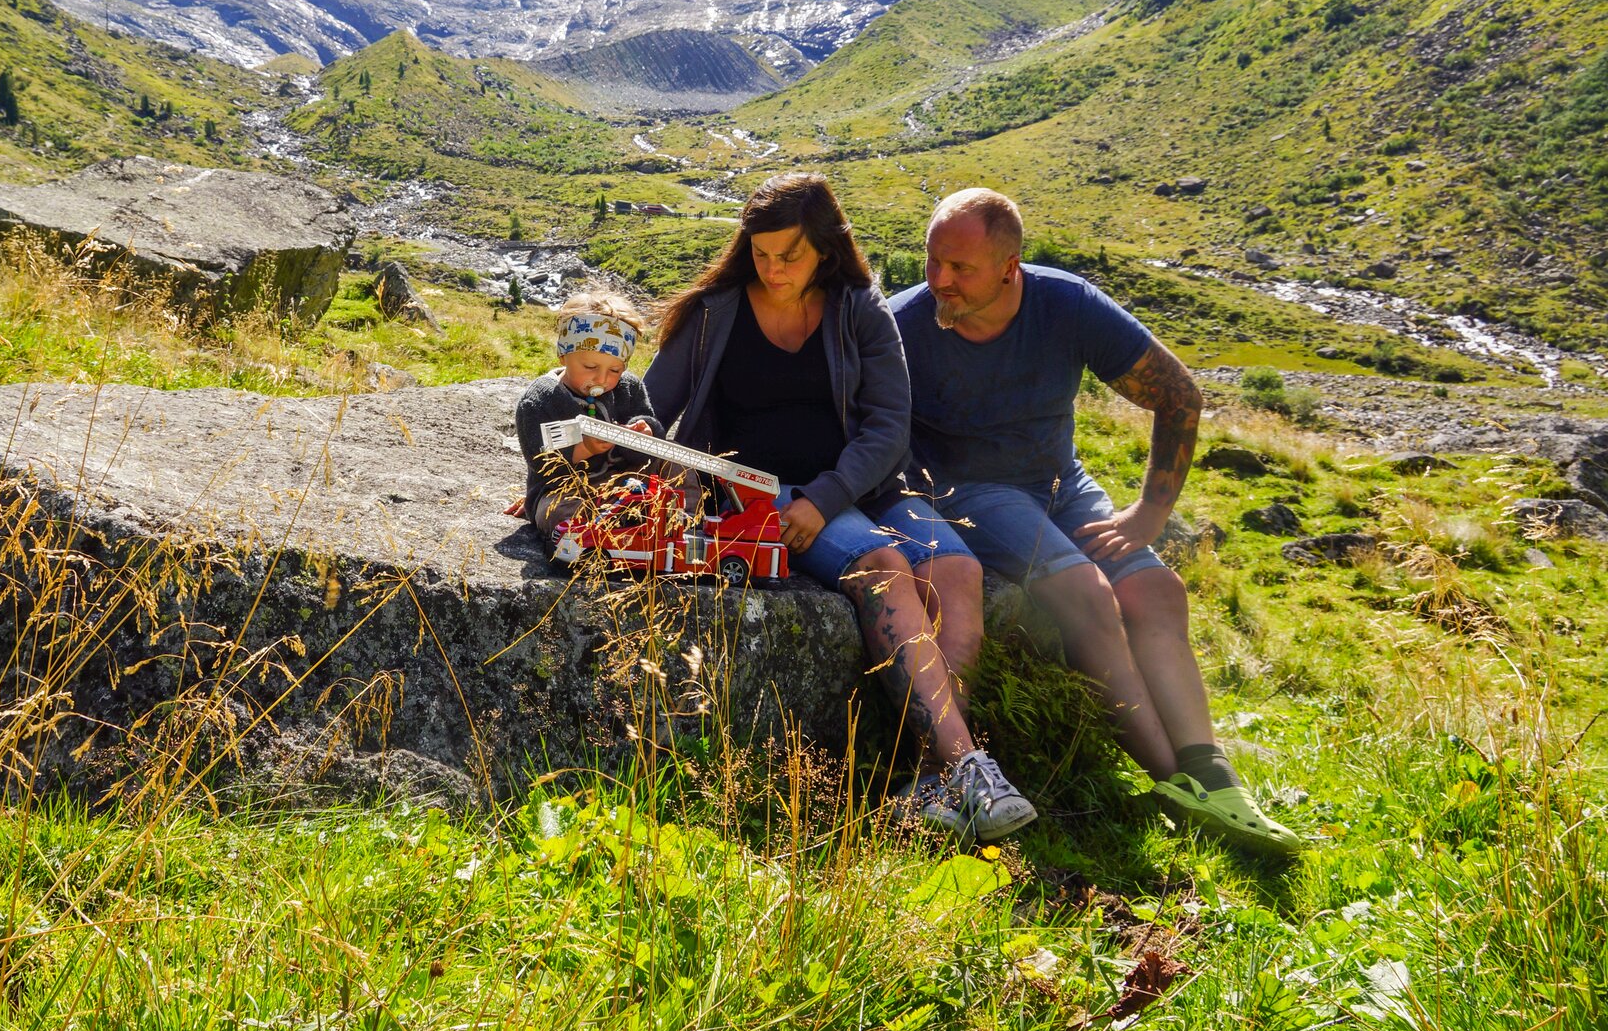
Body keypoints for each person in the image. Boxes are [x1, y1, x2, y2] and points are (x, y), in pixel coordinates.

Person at [887, 188, 1304, 856]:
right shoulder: (903, 323)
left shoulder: (1067, 305)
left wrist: (1150, 513)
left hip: (1060, 484)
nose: (939, 279)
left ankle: (1212, 776)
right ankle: (1174, 783)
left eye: (960, 267)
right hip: (970, 490)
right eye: (933, 260)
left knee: (1157, 591)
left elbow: (1179, 394)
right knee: (1087, 594)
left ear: (1010, 267)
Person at [645, 172, 1034, 842]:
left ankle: (936, 779)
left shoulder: (859, 307)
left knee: (958, 570)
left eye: (789, 255)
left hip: (863, 486)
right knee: (884, 568)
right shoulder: (715, 313)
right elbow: (649, 408)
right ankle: (968, 767)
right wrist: (583, 465)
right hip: (759, 490)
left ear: (825, 247)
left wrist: (827, 497)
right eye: (761, 253)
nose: (773, 269)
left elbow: (889, 426)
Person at [514, 288, 664, 544]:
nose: (602, 379)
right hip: (564, 490)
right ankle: (585, 540)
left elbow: (651, 428)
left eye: (615, 370)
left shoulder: (629, 387)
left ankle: (685, 520)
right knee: (556, 511)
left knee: (676, 465)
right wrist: (584, 448)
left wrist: (644, 432)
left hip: (624, 480)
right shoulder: (541, 399)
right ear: (564, 355)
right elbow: (542, 461)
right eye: (590, 367)